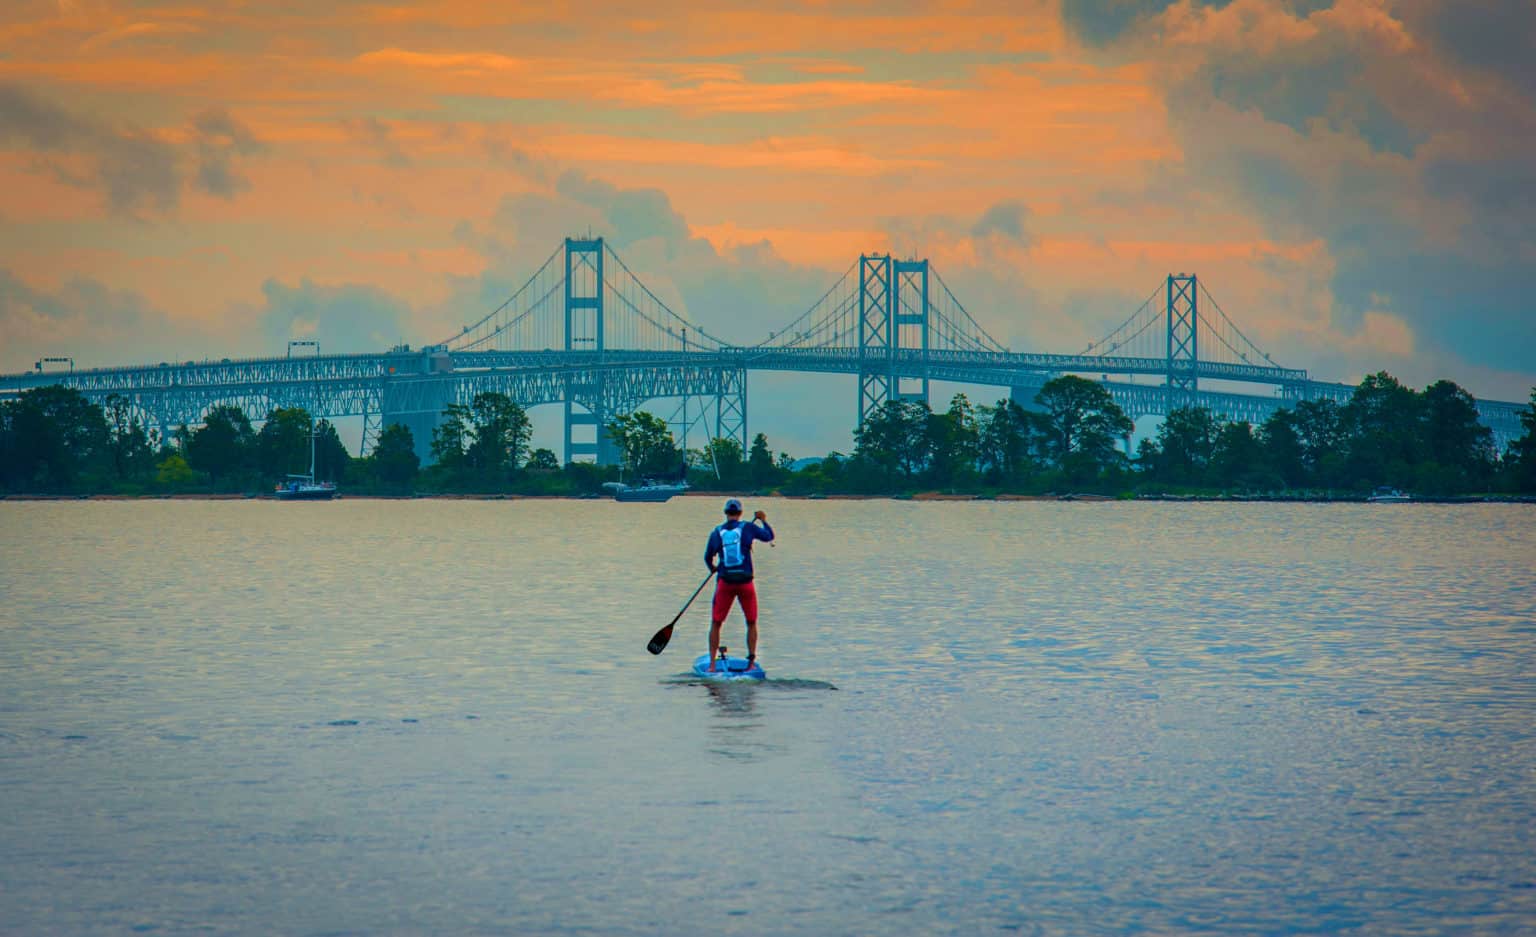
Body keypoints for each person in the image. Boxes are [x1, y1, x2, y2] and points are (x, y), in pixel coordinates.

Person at [704, 498, 775, 671]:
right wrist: (763, 520)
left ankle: (712, 666)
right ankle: (751, 664)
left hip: (725, 583)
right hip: (745, 584)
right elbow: (769, 537)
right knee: (751, 622)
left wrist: (713, 568)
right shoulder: (748, 528)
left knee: (716, 622)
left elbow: (707, 556)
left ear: (726, 513)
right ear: (740, 513)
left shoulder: (717, 532)